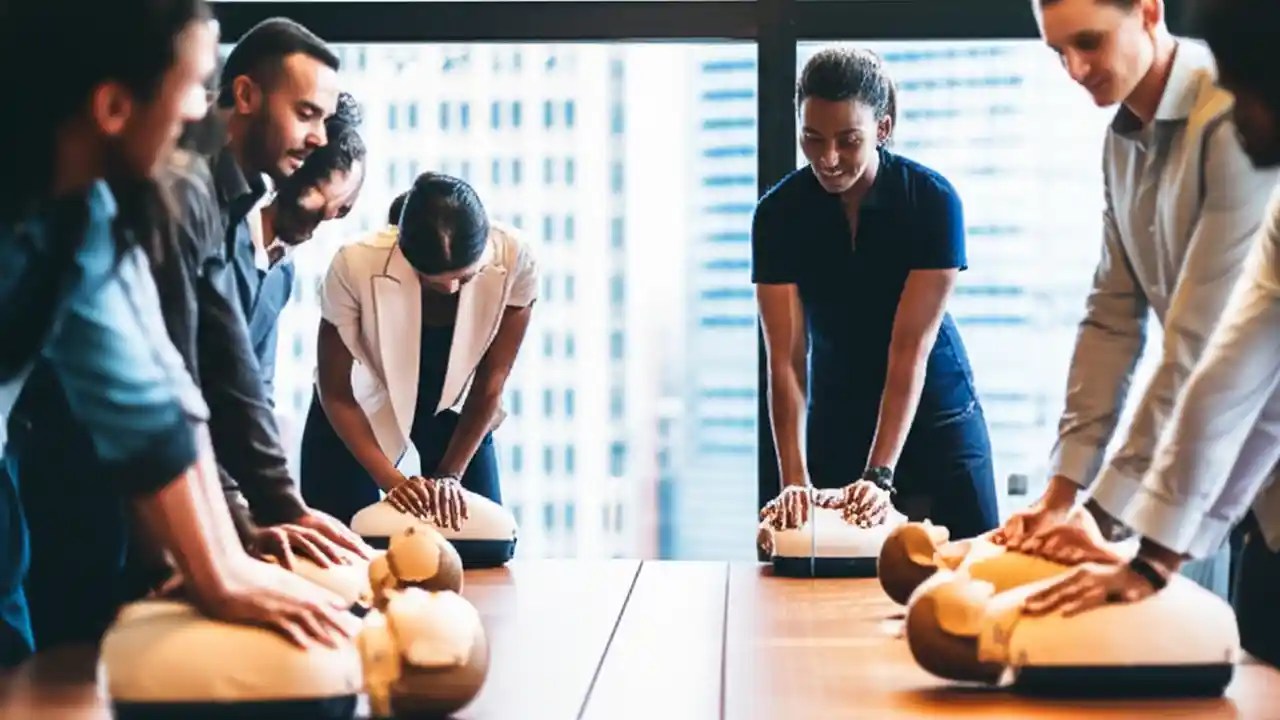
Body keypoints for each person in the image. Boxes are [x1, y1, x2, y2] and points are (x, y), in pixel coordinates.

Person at [0, 0, 348, 665]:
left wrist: (225, 567)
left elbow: (157, 400)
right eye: (192, 87)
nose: (200, 111)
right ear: (112, 107)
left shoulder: (92, 216)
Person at [1022, 0, 1280, 670]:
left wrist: (1110, 515)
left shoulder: (1226, 115)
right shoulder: (1122, 144)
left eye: (1089, 42)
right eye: (1058, 52)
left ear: (1148, 12)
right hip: (1254, 491)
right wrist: (1075, 501)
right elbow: (1223, 361)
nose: (1075, 70)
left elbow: (1200, 345)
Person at [753, 48, 999, 538]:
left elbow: (910, 349)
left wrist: (879, 475)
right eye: (812, 138)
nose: (827, 158)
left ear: (883, 128)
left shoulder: (932, 202)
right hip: (839, 421)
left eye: (848, 140)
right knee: (832, 596)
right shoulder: (778, 215)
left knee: (968, 585)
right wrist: (794, 480)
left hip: (933, 419)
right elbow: (785, 360)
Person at [300, 174, 538, 529]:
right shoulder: (354, 264)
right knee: (337, 544)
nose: (450, 288)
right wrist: (392, 483)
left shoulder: (516, 259)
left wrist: (450, 476)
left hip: (456, 409)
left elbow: (492, 381)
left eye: (465, 277)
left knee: (483, 539)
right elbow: (336, 392)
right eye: (431, 280)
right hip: (356, 407)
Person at [254, 90, 367, 397]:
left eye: (341, 210)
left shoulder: (281, 273)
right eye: (317, 204)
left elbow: (261, 382)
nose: (326, 218)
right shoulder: (220, 237)